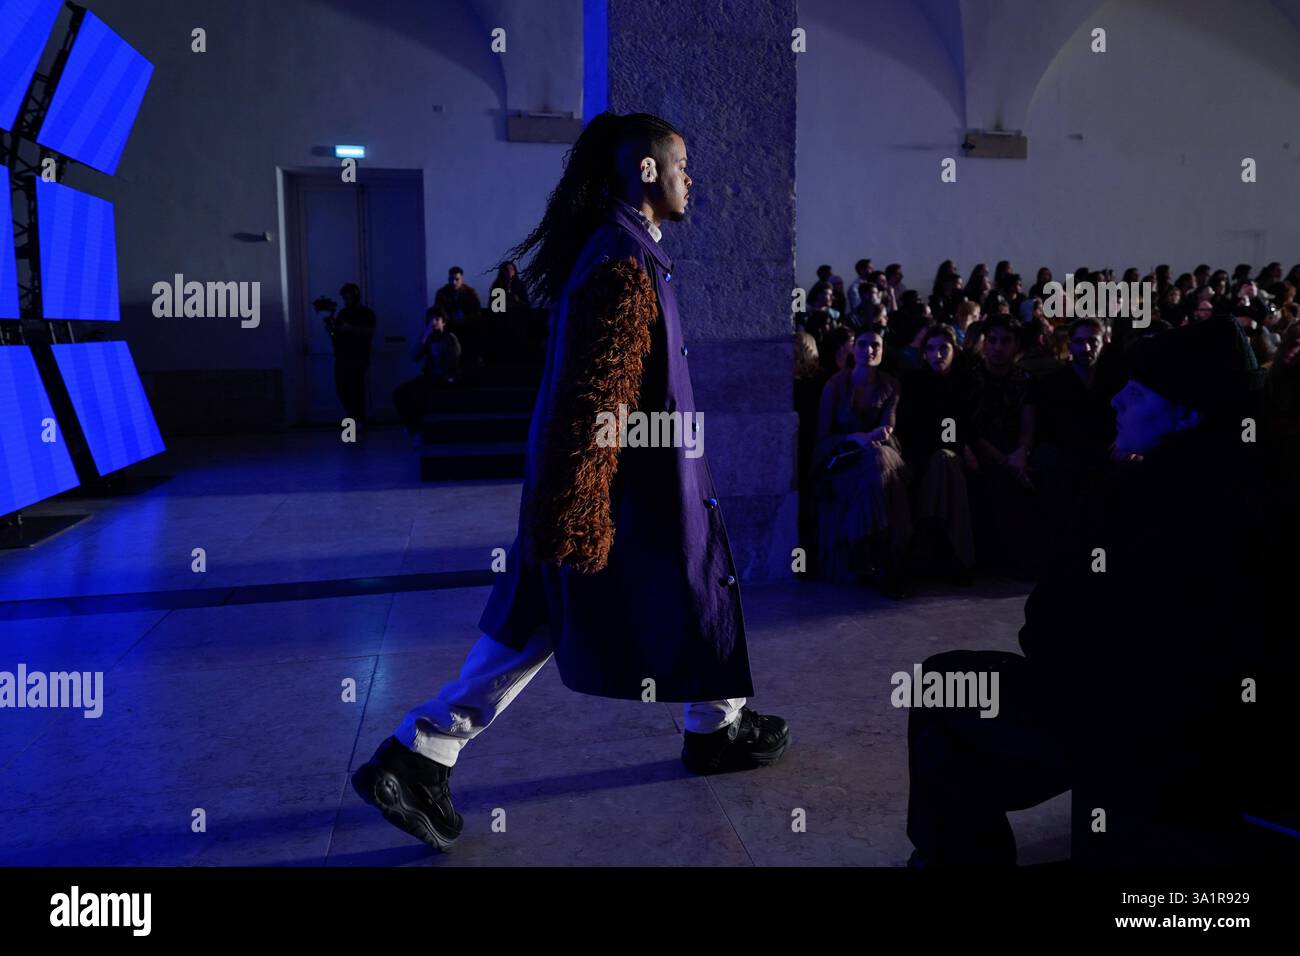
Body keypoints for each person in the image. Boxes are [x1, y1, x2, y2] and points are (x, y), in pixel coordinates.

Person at [351, 111, 790, 851]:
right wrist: (579, 506)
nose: (692, 178)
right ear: (645, 171)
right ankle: (422, 752)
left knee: (640, 599)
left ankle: (716, 722)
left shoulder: (624, 248)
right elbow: (598, 394)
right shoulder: (622, 259)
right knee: (604, 606)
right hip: (618, 489)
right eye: (681, 164)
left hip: (609, 482)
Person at [907, 317, 1283, 867]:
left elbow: (1050, 629)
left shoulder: (1150, 497)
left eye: (1136, 395)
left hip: (1151, 730)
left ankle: (958, 862)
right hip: (1232, 727)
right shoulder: (1261, 474)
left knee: (944, 686)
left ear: (1185, 413)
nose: (1117, 404)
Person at [810, 327, 911, 595]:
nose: (870, 350)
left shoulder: (891, 385)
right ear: (853, 349)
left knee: (879, 462)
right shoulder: (835, 386)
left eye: (876, 345)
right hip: (843, 459)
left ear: (883, 350)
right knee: (876, 469)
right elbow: (822, 440)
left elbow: (889, 428)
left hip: (881, 454)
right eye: (863, 344)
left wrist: (877, 435)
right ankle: (886, 561)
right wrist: (856, 437)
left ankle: (875, 556)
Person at [896, 324, 978, 584]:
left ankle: (939, 556)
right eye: (931, 349)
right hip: (921, 454)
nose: (937, 354)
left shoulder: (967, 383)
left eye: (943, 348)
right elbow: (911, 429)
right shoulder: (914, 383)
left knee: (944, 463)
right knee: (941, 464)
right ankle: (955, 558)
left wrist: (960, 445)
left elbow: (965, 426)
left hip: (949, 455)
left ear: (955, 350)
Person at [392, 306, 461, 435]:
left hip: (446, 378)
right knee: (399, 393)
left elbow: (453, 363)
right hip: (431, 377)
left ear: (444, 322)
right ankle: (412, 427)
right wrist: (424, 337)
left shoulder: (450, 338)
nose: (433, 323)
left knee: (420, 395)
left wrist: (443, 374)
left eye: (437, 319)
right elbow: (414, 356)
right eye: (430, 320)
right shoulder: (429, 340)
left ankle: (421, 429)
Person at [326, 282, 376, 423]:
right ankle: (353, 415)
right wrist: (331, 330)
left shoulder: (366, 313)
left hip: (359, 356)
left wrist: (351, 328)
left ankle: (357, 418)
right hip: (342, 355)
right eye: (344, 298)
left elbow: (370, 331)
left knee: (356, 388)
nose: (346, 301)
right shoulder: (343, 313)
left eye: (348, 298)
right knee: (342, 387)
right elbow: (336, 334)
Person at [433, 266, 483, 369]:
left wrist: (464, 318)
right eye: (451, 279)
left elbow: (477, 312)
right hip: (449, 325)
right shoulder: (442, 293)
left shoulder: (470, 293)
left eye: (457, 279)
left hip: (467, 326)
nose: (454, 282)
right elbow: (438, 311)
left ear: (462, 280)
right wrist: (451, 318)